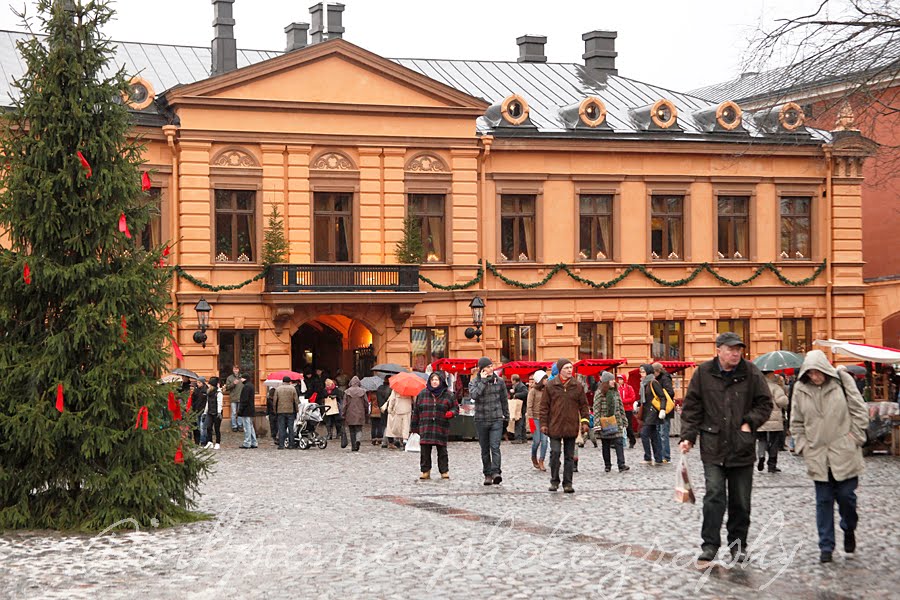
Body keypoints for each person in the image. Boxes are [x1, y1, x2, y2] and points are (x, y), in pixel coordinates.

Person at [679, 332, 773, 564]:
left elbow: (765, 403)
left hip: (742, 446)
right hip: (713, 446)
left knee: (740, 501)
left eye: (738, 349)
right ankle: (710, 545)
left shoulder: (751, 372)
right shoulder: (703, 373)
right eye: (730, 349)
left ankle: (738, 546)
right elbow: (692, 407)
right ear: (719, 350)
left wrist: (749, 422)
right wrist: (688, 436)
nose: (735, 353)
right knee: (714, 496)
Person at [790, 350, 868, 563]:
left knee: (847, 498)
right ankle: (826, 546)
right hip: (817, 455)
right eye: (810, 373)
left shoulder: (842, 381)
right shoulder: (800, 389)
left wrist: (855, 437)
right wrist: (803, 446)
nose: (814, 376)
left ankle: (849, 528)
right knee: (823, 501)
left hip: (844, 452)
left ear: (825, 369)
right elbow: (796, 422)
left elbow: (859, 410)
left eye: (817, 372)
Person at [539, 358, 590, 493]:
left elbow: (584, 406)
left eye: (570, 368)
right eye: (566, 368)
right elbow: (544, 407)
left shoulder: (577, 386)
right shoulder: (550, 386)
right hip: (554, 425)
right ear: (560, 370)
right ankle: (554, 481)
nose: (569, 370)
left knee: (569, 456)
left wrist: (585, 421)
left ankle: (568, 483)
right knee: (555, 453)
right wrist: (543, 424)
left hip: (571, 426)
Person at [469, 357, 510, 486]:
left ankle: (496, 472)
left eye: (491, 366)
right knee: (485, 449)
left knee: (495, 447)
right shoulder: (474, 382)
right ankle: (487, 474)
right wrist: (483, 381)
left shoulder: (499, 381)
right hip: (481, 419)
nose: (491, 368)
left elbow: (504, 400)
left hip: (496, 419)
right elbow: (474, 395)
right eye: (488, 366)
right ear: (482, 369)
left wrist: (506, 417)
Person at [411, 372, 459, 479]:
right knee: (425, 451)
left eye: (436, 380)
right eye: (432, 380)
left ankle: (444, 471)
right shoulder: (423, 394)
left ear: (441, 381)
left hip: (441, 426)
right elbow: (416, 411)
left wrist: (451, 413)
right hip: (425, 426)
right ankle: (425, 471)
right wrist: (414, 427)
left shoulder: (448, 395)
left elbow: (455, 408)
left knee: (442, 451)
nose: (434, 382)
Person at [594, 371, 630, 473]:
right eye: (611, 380)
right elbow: (596, 409)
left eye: (614, 379)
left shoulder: (615, 392)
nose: (614, 381)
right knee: (605, 444)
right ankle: (607, 465)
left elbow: (620, 407)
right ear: (606, 381)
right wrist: (597, 424)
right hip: (605, 422)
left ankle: (621, 464)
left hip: (617, 421)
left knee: (619, 442)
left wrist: (624, 419)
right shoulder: (600, 393)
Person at [757, 371, 789, 473]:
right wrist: (785, 397)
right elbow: (781, 401)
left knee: (761, 440)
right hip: (774, 419)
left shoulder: (756, 387)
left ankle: (761, 456)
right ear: (770, 375)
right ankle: (772, 464)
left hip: (760, 418)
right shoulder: (775, 387)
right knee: (774, 442)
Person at [637, 365, 664, 465]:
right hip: (647, 412)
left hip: (653, 412)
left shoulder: (653, 382)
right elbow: (645, 399)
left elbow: (662, 396)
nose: (641, 374)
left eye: (643, 372)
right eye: (641, 372)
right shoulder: (644, 384)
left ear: (648, 372)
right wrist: (638, 402)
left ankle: (648, 457)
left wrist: (662, 409)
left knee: (644, 433)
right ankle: (658, 458)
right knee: (654, 436)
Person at [653, 362, 676, 462]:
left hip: (665, 409)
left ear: (658, 371)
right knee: (659, 433)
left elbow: (670, 392)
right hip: (659, 409)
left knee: (663, 434)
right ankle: (660, 456)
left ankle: (666, 456)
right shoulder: (658, 379)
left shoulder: (665, 378)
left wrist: (660, 396)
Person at [526, 370, 549, 471]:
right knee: (536, 441)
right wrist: (530, 420)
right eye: (545, 379)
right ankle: (533, 456)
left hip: (545, 419)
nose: (546, 380)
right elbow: (529, 406)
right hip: (535, 418)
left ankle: (541, 460)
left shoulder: (547, 390)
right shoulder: (533, 391)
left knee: (544, 441)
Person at [341, 376, 369, 452]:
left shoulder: (347, 392)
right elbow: (366, 403)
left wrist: (343, 414)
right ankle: (358, 440)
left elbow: (344, 405)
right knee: (359, 429)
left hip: (350, 413)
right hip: (360, 413)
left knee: (352, 430)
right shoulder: (363, 392)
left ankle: (353, 446)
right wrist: (366, 412)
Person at [273, 375, 299, 450]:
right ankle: (291, 444)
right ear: (289, 381)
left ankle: (281, 445)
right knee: (290, 428)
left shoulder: (278, 389)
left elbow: (275, 401)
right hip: (290, 411)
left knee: (281, 428)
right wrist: (297, 410)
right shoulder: (292, 388)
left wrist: (275, 410)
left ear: (283, 381)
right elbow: (296, 401)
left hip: (280, 411)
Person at [202, 377, 223, 449]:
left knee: (217, 428)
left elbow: (220, 403)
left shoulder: (219, 393)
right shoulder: (209, 392)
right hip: (210, 412)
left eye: (210, 384)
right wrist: (205, 412)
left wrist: (219, 413)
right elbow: (207, 403)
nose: (208, 386)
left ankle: (217, 442)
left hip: (217, 412)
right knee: (208, 427)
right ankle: (210, 442)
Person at [617, 374, 637, 448]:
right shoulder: (618, 388)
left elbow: (632, 398)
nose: (619, 381)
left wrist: (623, 401)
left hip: (628, 409)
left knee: (628, 426)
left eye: (621, 379)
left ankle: (632, 440)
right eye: (619, 379)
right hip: (620, 409)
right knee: (619, 426)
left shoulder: (629, 388)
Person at [322, 379, 345, 444]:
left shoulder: (336, 390)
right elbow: (322, 396)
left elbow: (340, 396)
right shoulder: (324, 390)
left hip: (335, 407)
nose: (327, 386)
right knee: (328, 422)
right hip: (328, 407)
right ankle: (329, 434)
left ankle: (338, 433)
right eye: (326, 385)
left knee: (337, 421)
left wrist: (335, 396)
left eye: (328, 385)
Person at [238, 374, 258, 449]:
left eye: (242, 378)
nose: (241, 380)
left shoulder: (246, 387)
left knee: (247, 427)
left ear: (245, 378)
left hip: (246, 410)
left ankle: (247, 443)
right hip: (250, 409)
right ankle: (254, 442)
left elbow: (244, 400)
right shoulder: (251, 386)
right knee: (250, 426)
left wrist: (240, 410)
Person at [510, 374, 529, 444]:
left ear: (514, 380)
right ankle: (523, 438)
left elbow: (525, 393)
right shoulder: (519, 385)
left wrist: (515, 395)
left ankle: (518, 438)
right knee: (522, 423)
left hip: (520, 407)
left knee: (519, 423)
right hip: (520, 407)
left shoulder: (521, 386)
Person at [225, 365, 244, 432]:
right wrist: (233, 383)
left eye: (236, 369)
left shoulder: (242, 377)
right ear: (233, 370)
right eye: (234, 369)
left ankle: (240, 425)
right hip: (233, 397)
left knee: (240, 412)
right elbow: (227, 387)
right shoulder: (229, 378)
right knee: (233, 412)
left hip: (241, 397)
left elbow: (246, 386)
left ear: (238, 370)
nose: (235, 370)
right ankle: (234, 426)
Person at [191, 377, 208, 446]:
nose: (198, 384)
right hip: (196, 410)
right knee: (198, 426)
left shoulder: (206, 390)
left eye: (199, 382)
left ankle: (203, 441)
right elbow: (193, 400)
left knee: (202, 427)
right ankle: (198, 441)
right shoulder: (196, 390)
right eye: (197, 382)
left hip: (203, 411)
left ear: (203, 383)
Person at [376, 376, 393, 448]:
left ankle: (384, 440)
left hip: (382, 408)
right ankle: (386, 441)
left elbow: (378, 399)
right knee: (389, 425)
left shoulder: (379, 388)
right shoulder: (391, 389)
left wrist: (380, 406)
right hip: (389, 408)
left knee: (383, 424)